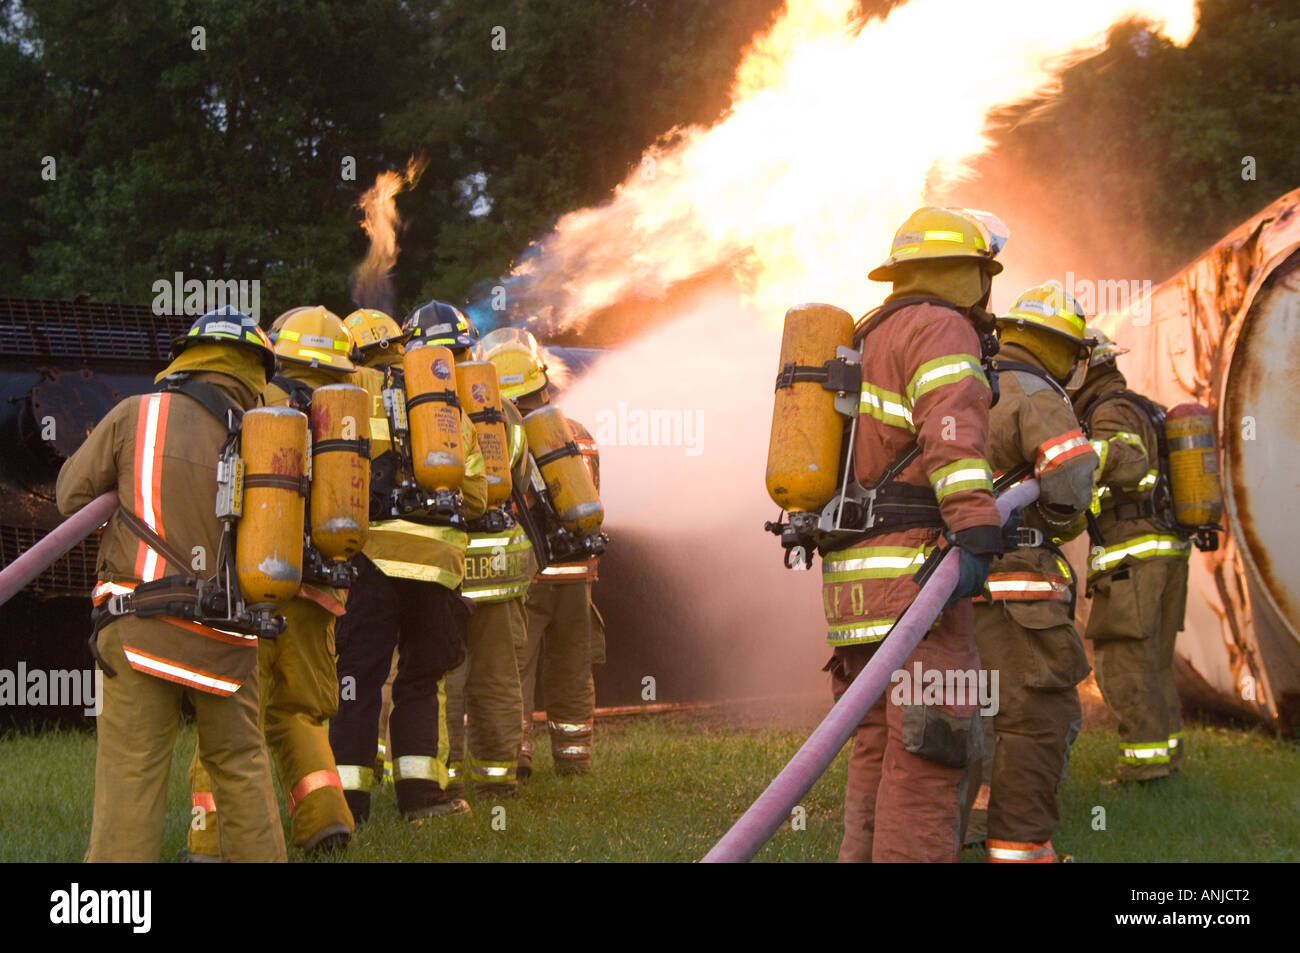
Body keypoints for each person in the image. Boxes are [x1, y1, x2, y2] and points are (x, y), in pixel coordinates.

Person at [56, 307, 287, 862]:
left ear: (189, 357)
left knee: (132, 772)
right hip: (230, 635)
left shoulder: (137, 414)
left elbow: (69, 497)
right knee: (241, 766)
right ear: (256, 371)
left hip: (141, 625)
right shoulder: (269, 438)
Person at [825, 207, 1007, 862]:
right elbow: (950, 433)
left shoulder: (871, 333)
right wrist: (978, 525)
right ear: (965, 272)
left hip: (856, 593)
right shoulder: (940, 327)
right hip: (917, 585)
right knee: (928, 759)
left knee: (876, 750)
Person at [187, 306, 361, 858]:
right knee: (300, 710)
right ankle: (325, 820)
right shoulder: (348, 418)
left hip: (254, 580)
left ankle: (210, 840)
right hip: (319, 591)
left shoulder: (256, 405)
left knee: (231, 709)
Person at [329, 305, 488, 821]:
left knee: (357, 678)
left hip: (370, 558)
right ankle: (423, 800)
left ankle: (349, 803)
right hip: (437, 563)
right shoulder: (441, 404)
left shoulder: (346, 392)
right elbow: (480, 498)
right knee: (421, 680)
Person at [963, 282, 1098, 863]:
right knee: (1035, 720)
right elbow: (1070, 481)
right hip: (1019, 588)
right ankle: (1020, 852)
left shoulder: (968, 382)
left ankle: (961, 831)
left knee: (966, 715)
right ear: (1058, 346)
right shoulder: (1036, 389)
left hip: (950, 587)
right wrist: (1064, 517)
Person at [421, 311, 537, 801]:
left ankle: (439, 777)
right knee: (497, 673)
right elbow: (521, 479)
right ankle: (498, 776)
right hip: (500, 566)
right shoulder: (504, 411)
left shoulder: (423, 405)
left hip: (445, 563)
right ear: (473, 351)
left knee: (441, 671)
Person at [480, 327, 604, 778]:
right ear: (541, 382)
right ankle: (575, 761)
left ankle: (517, 756)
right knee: (572, 668)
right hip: (576, 578)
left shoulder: (500, 436)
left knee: (513, 670)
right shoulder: (578, 434)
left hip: (528, 575)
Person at [1072, 328, 1191, 781]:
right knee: (1155, 661)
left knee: (1124, 662)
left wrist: (1068, 461)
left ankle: (1143, 771)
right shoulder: (1144, 405)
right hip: (1165, 551)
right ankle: (1166, 759)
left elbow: (1129, 459)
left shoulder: (1109, 410)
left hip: (1133, 557)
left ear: (1086, 366)